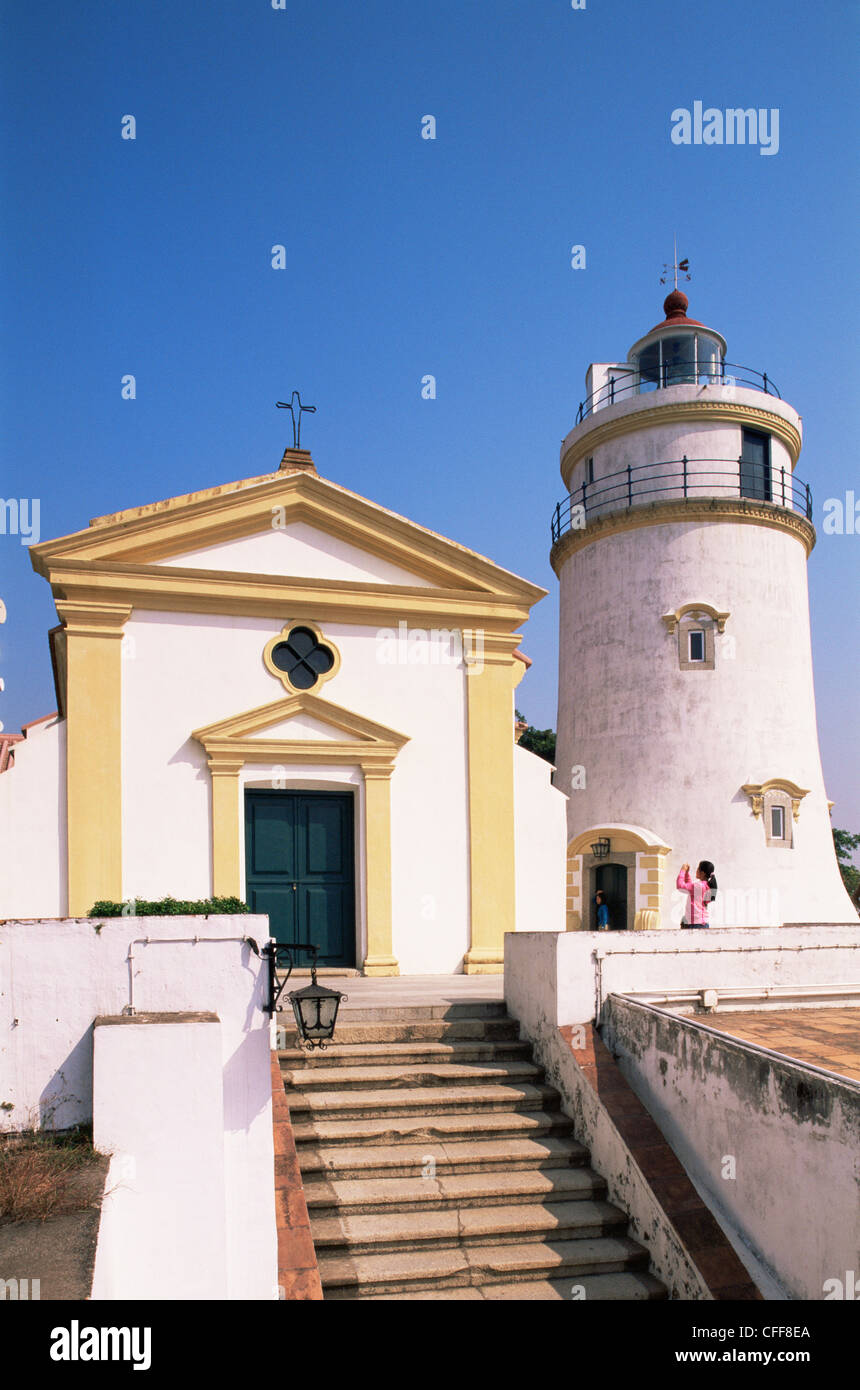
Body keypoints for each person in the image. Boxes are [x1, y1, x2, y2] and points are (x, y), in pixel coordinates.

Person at [677, 860, 717, 928]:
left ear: (703, 873)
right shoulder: (705, 885)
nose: (696, 870)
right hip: (700, 923)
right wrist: (687, 874)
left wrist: (682, 871)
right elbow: (689, 886)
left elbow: (680, 886)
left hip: (696, 924)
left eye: (698, 868)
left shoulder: (698, 886)